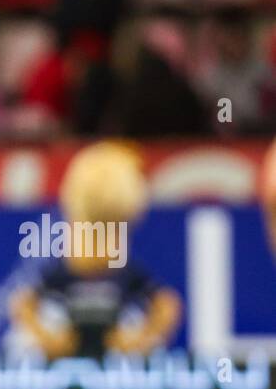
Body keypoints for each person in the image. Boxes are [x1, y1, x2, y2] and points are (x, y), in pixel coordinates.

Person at [10, 141, 180, 359]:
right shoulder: (62, 273)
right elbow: (24, 304)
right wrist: (49, 339)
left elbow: (166, 304)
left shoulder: (126, 273)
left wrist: (139, 340)